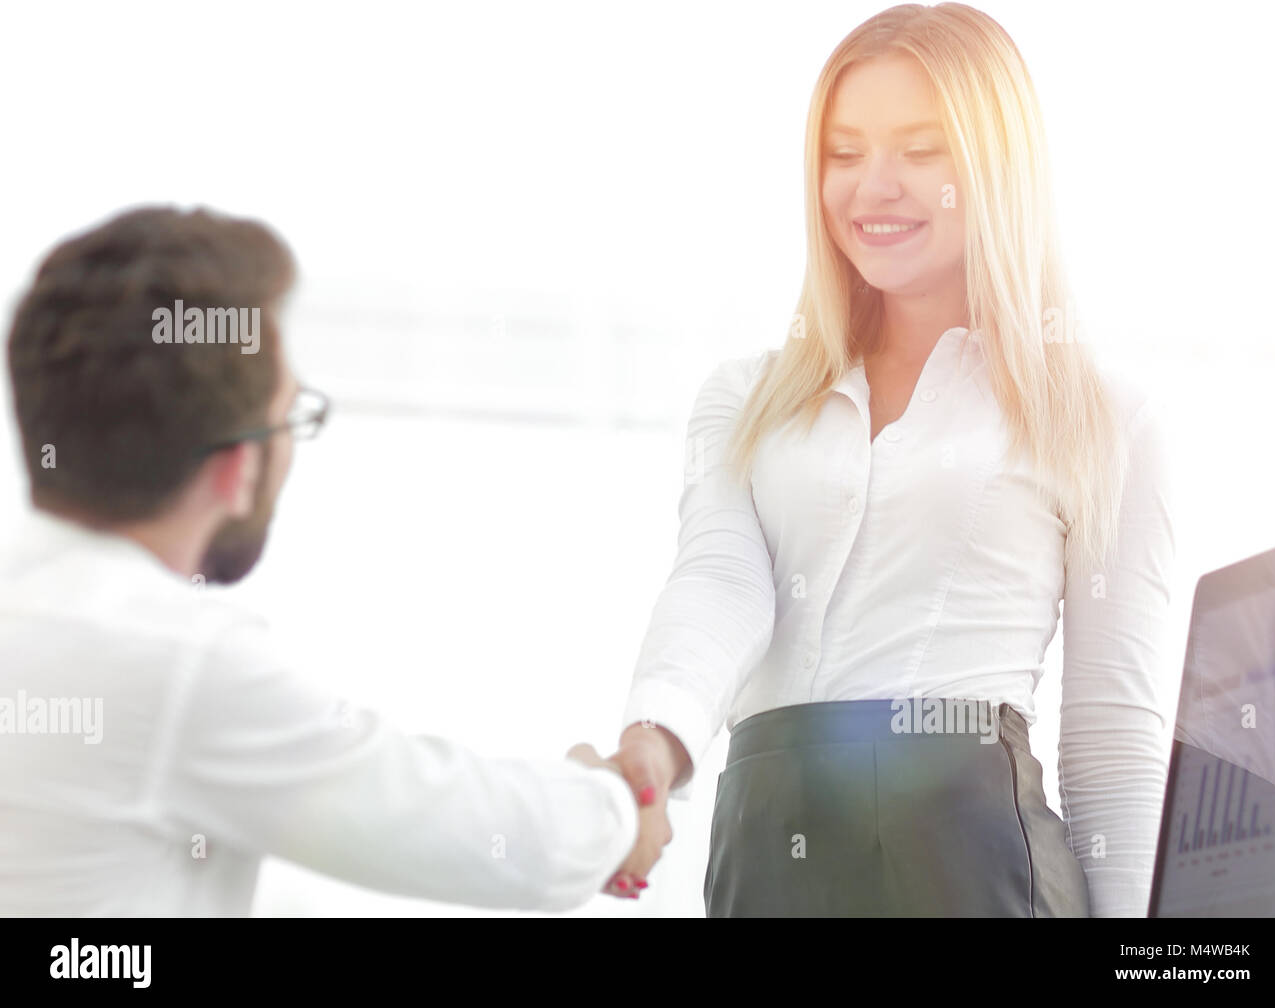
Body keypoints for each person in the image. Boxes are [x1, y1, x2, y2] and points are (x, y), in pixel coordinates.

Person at [608, 3, 1177, 916]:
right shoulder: (745, 398)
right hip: (766, 857)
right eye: (843, 153)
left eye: (921, 151)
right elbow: (719, 582)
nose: (873, 187)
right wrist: (654, 738)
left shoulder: (1105, 414)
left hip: (981, 874)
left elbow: (1114, 735)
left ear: (997, 165)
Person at [0, 206, 668, 915]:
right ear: (236, 468)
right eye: (292, 417)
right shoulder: (174, 660)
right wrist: (619, 809)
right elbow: (459, 825)